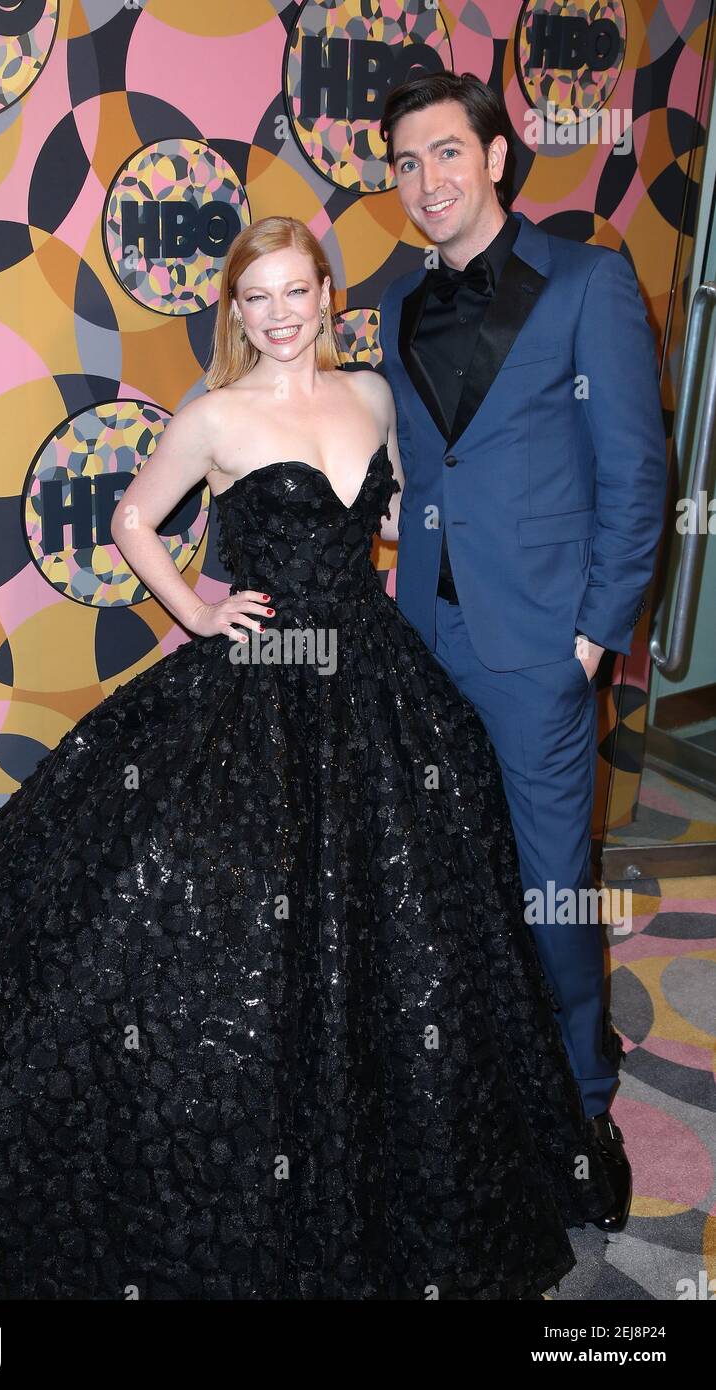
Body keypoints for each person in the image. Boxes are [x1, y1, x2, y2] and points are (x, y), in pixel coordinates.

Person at [0, 215, 617, 1301]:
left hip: (378, 684)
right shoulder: (214, 414)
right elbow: (130, 520)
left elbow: (430, 505)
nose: (277, 313)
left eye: (292, 290)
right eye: (253, 297)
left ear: (324, 291)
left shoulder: (373, 394)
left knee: (412, 931)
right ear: (234, 310)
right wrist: (200, 614)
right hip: (252, 689)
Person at [377, 72, 668, 1233]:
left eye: (446, 152)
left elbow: (634, 475)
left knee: (550, 889)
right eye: (404, 163)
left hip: (538, 646)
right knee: (450, 881)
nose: (427, 180)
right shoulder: (399, 296)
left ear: (495, 158)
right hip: (421, 638)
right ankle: (473, 1088)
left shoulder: (588, 281)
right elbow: (422, 462)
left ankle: (581, 1106)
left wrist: (593, 636)